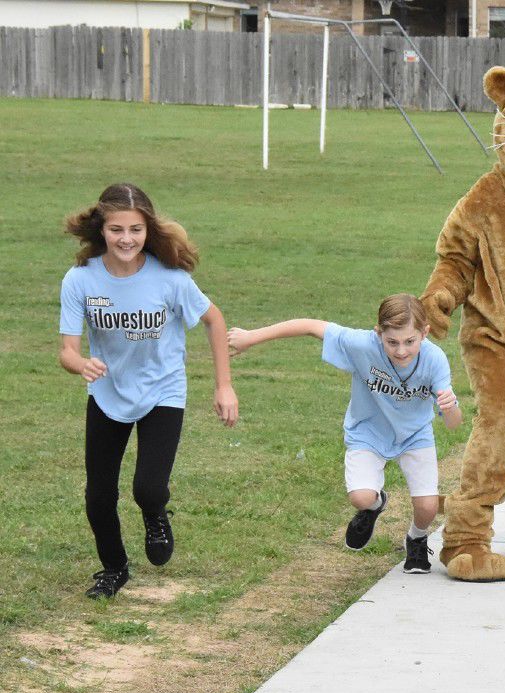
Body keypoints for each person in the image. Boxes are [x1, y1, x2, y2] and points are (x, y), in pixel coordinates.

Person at [59, 183, 239, 600]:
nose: (126, 239)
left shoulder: (171, 278)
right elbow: (67, 350)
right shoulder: (80, 280)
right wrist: (81, 363)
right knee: (98, 496)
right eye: (117, 229)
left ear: (148, 229)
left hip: (163, 391)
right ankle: (114, 568)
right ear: (101, 229)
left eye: (136, 229)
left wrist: (224, 386)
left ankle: (156, 514)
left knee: (148, 488)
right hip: (107, 393)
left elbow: (214, 320)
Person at [227, 294, 461, 575]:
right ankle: (375, 506)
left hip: (414, 434)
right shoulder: (362, 344)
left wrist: (450, 407)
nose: (401, 351)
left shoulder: (435, 360)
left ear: (424, 333)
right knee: (361, 497)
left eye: (410, 341)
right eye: (392, 342)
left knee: (428, 507)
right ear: (379, 333)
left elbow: (453, 424)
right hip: (368, 431)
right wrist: (252, 337)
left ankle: (417, 538)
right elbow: (310, 326)